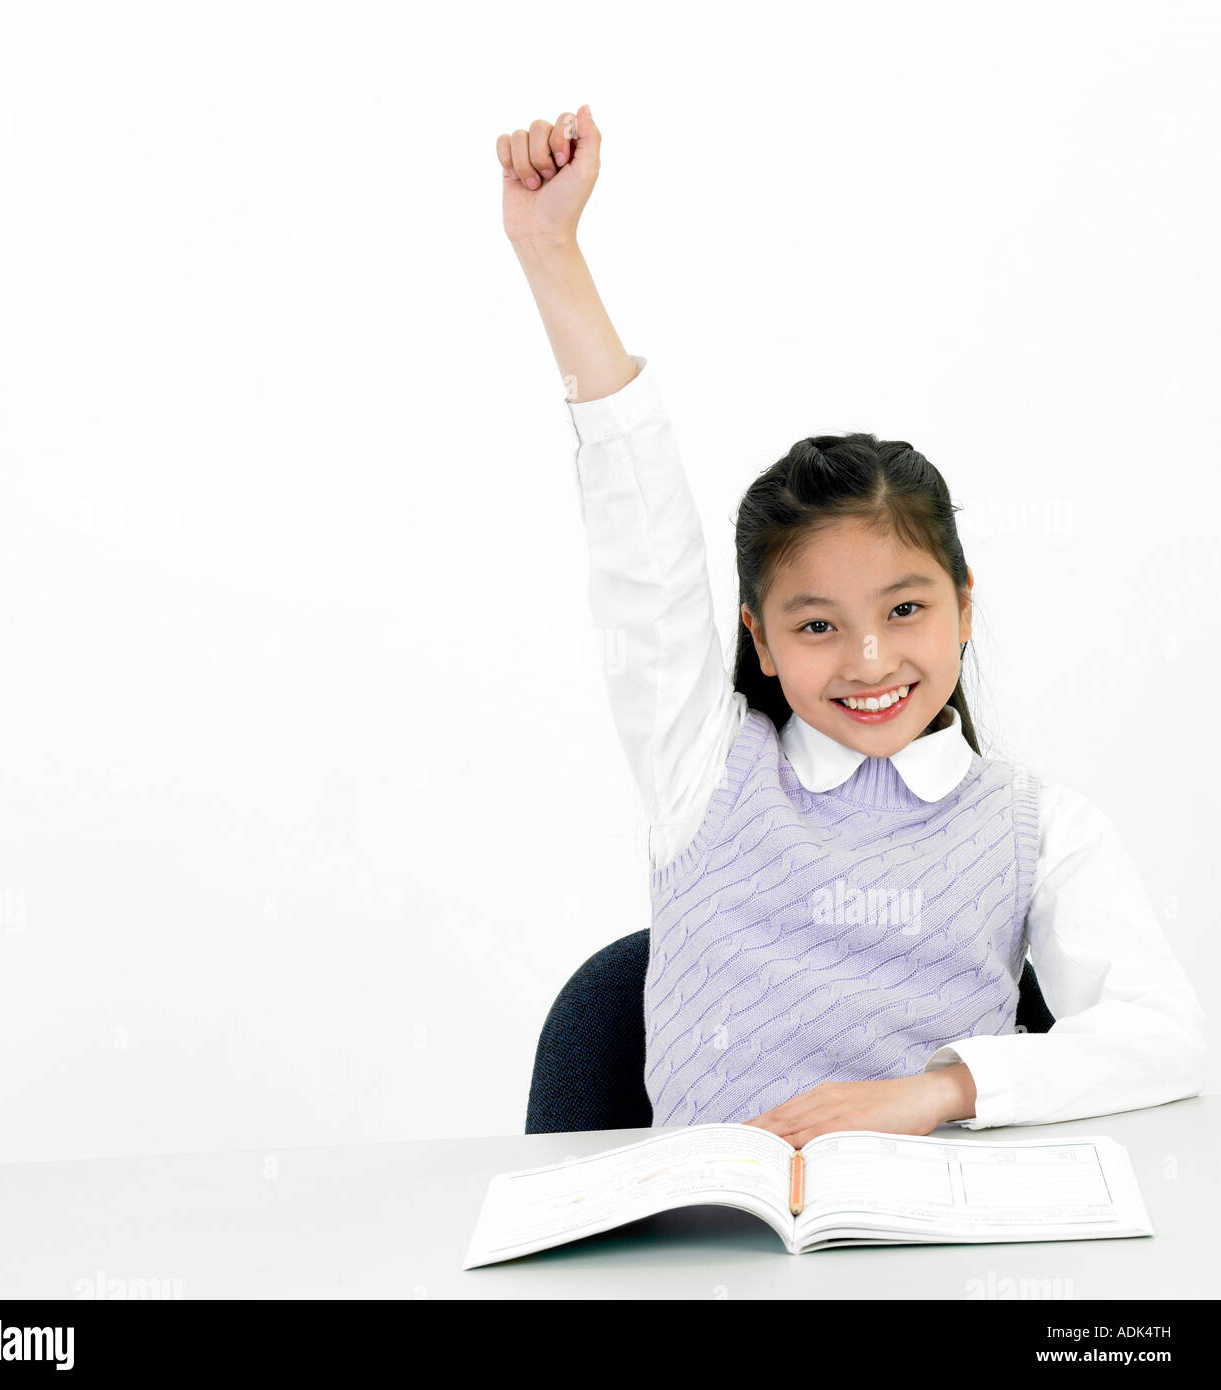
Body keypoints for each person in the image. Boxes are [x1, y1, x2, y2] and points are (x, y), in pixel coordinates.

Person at [497, 107, 1206, 1149]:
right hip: (714, 1248)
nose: (869, 659)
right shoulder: (701, 770)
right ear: (761, 637)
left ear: (965, 605)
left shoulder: (1034, 828)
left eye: (905, 610)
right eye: (817, 624)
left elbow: (1161, 1035)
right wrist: (547, 249)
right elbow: (638, 535)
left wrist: (935, 1089)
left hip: (922, 1247)